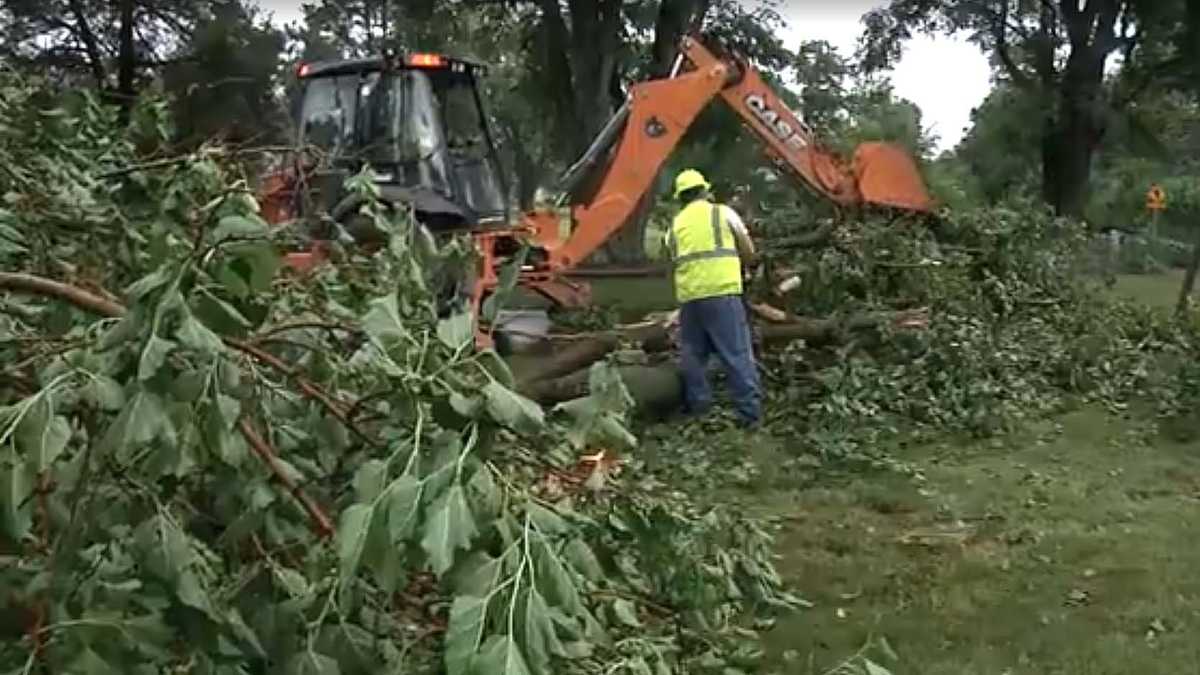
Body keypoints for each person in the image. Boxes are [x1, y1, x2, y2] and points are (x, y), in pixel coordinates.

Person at [663, 169, 762, 427]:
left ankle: (700, 410)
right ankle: (749, 415)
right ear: (705, 191)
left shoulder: (675, 226)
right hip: (722, 292)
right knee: (736, 353)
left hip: (690, 297)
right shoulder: (723, 213)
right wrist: (746, 265)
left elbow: (673, 259)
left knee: (693, 355)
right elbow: (748, 250)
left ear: (680, 198)